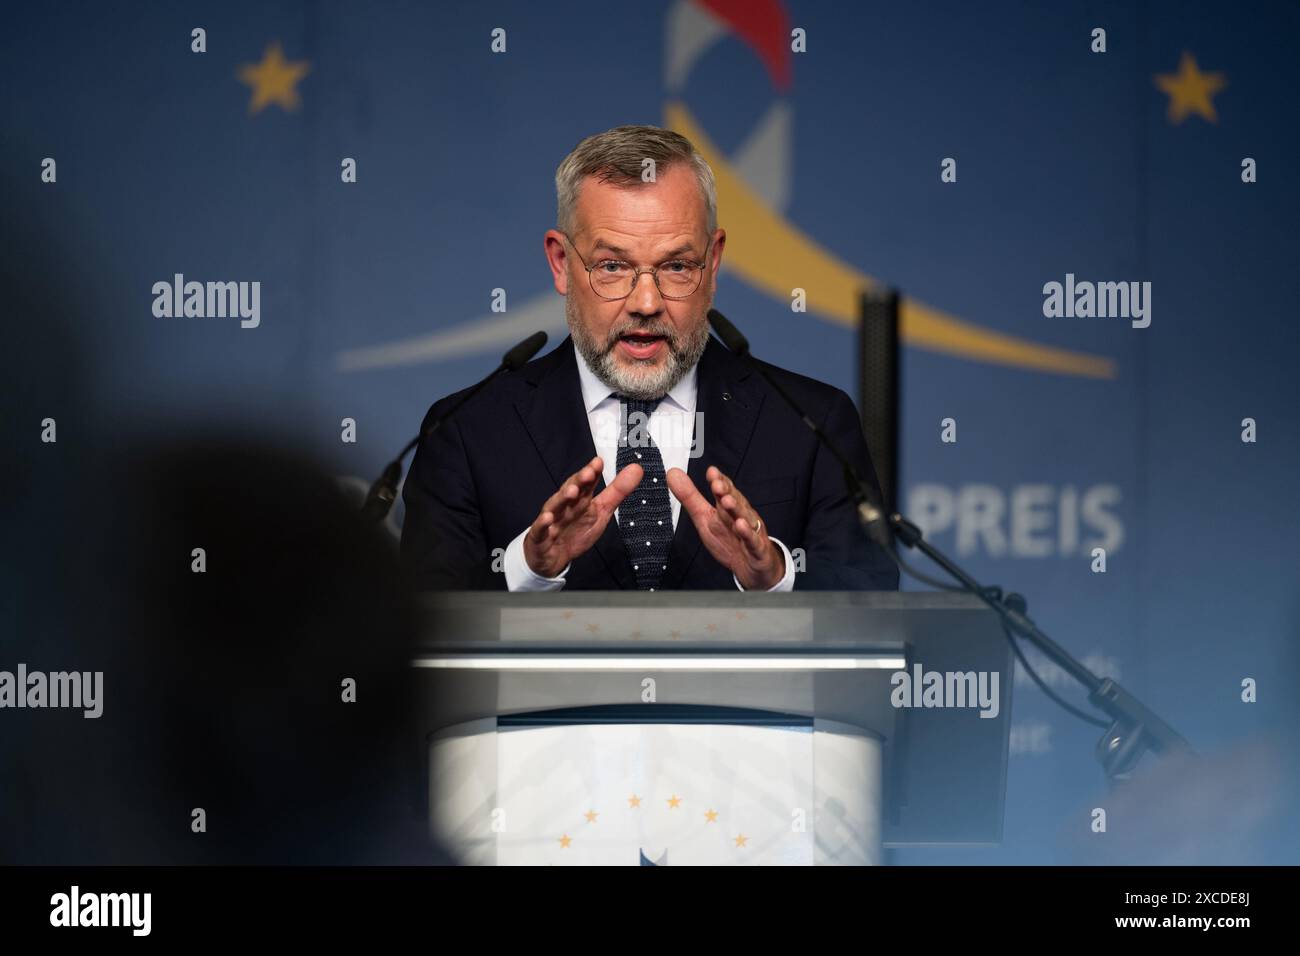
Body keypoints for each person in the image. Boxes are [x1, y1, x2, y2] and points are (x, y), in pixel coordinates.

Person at [401, 125, 897, 592]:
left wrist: (775, 577)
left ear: (714, 261)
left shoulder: (811, 423)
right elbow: (416, 634)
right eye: (613, 266)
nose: (645, 302)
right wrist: (528, 569)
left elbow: (871, 605)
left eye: (677, 266)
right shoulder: (463, 431)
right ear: (560, 263)